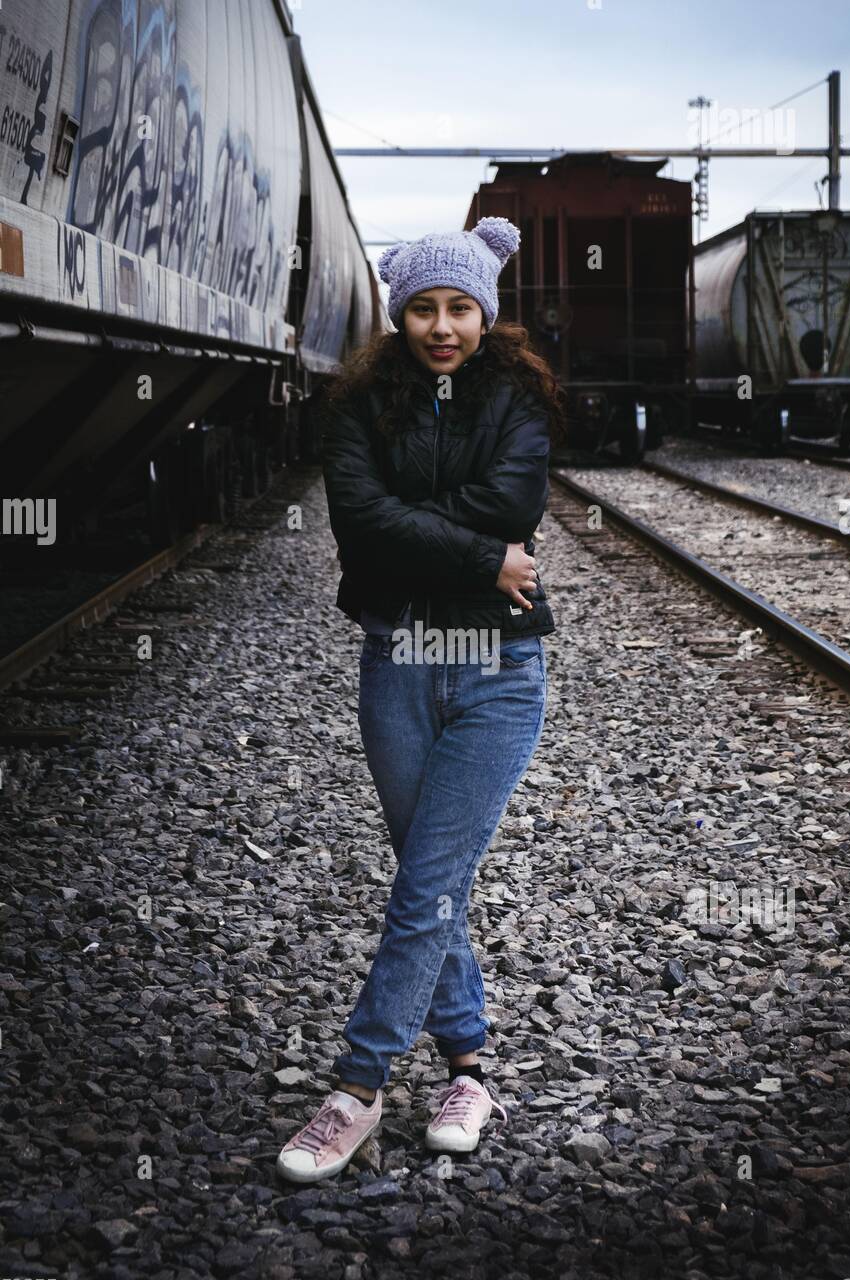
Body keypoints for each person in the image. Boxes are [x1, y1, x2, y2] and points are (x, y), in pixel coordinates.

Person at [277, 217, 566, 1183]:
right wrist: (483, 556)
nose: (442, 326)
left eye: (460, 308)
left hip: (497, 671)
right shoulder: (361, 406)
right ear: (399, 315)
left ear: (486, 313)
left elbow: (508, 499)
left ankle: (356, 1088)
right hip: (397, 660)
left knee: (424, 886)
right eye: (423, 309)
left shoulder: (520, 401)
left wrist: (427, 532)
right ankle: (470, 1069)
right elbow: (359, 525)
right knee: (430, 884)